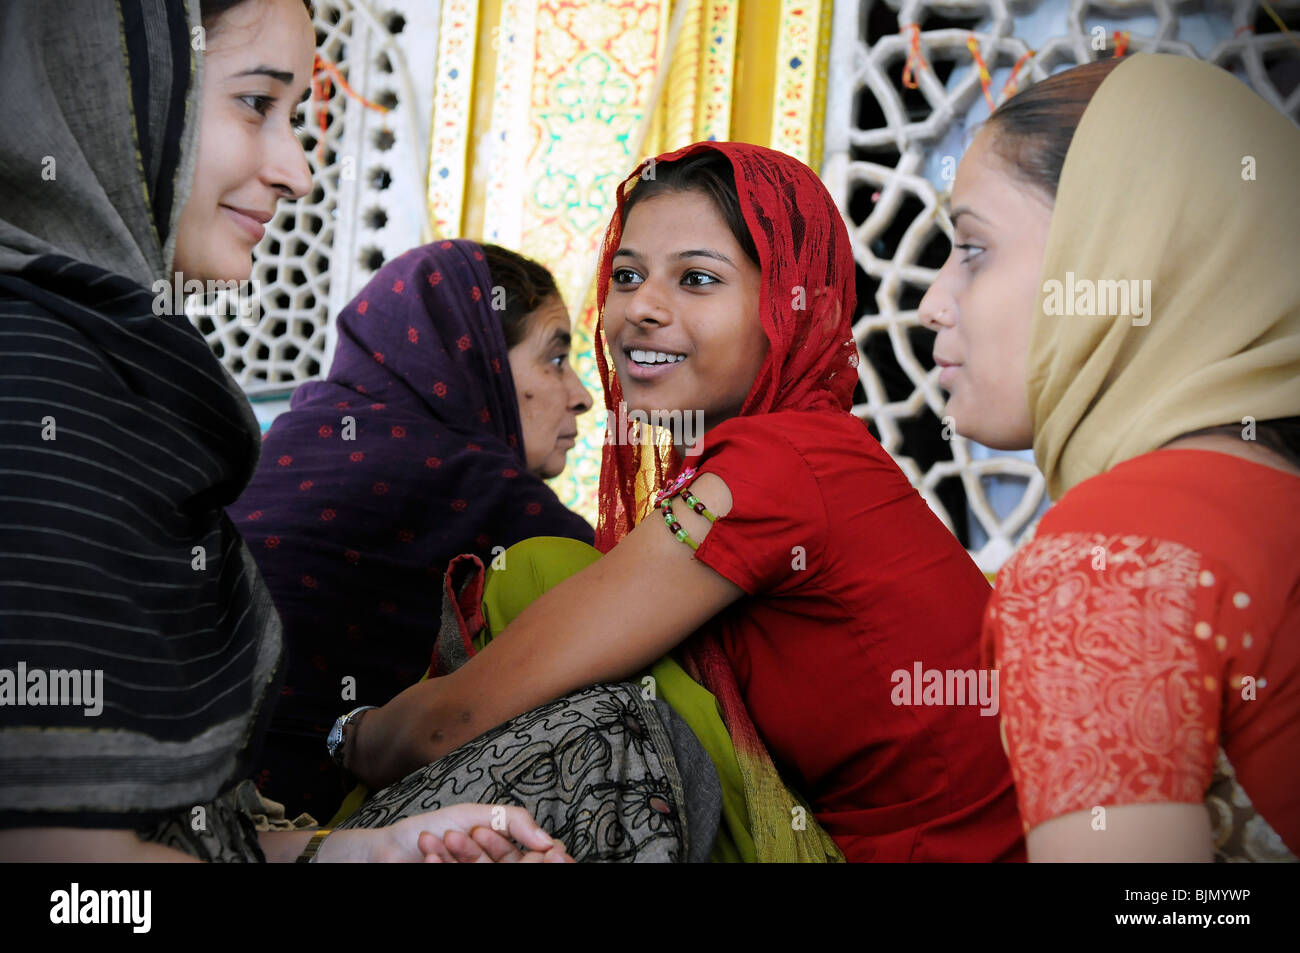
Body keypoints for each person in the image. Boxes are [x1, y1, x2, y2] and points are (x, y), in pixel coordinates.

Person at [342, 141, 1027, 862]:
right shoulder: (805, 453)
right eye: (627, 275)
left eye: (697, 279)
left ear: (792, 308)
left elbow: (451, 723)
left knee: (538, 573)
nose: (640, 308)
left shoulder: (781, 464)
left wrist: (351, 739)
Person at [0, 0, 568, 863]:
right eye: (255, 104)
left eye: (294, 117)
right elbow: (71, 880)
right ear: (114, 92)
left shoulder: (124, 374)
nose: (298, 171)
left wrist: (361, 853)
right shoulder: (45, 376)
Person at [919, 53, 1300, 861]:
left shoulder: (1105, 561)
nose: (931, 302)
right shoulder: (1271, 498)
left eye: (973, 249)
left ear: (1119, 254)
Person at [232, 239, 594, 819]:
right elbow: (634, 601)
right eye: (554, 359)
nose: (581, 396)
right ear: (478, 363)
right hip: (320, 825)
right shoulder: (477, 491)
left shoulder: (289, 439)